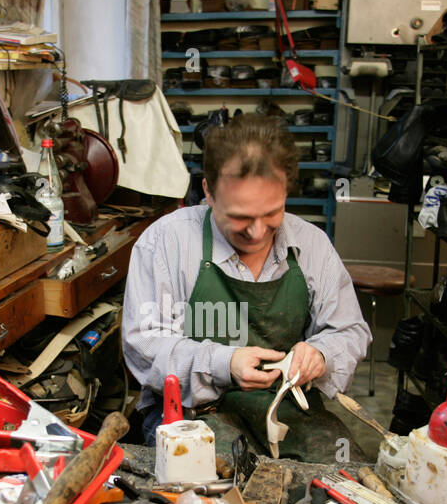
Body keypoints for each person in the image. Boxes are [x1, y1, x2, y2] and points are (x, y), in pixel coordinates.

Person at [122, 113, 373, 460]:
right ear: (208, 191)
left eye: (272, 213)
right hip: (195, 412)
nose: (256, 232)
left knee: (343, 485)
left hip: (289, 410)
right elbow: (144, 347)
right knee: (211, 495)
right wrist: (224, 363)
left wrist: (322, 353)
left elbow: (349, 330)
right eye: (240, 216)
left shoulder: (312, 245)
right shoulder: (165, 243)